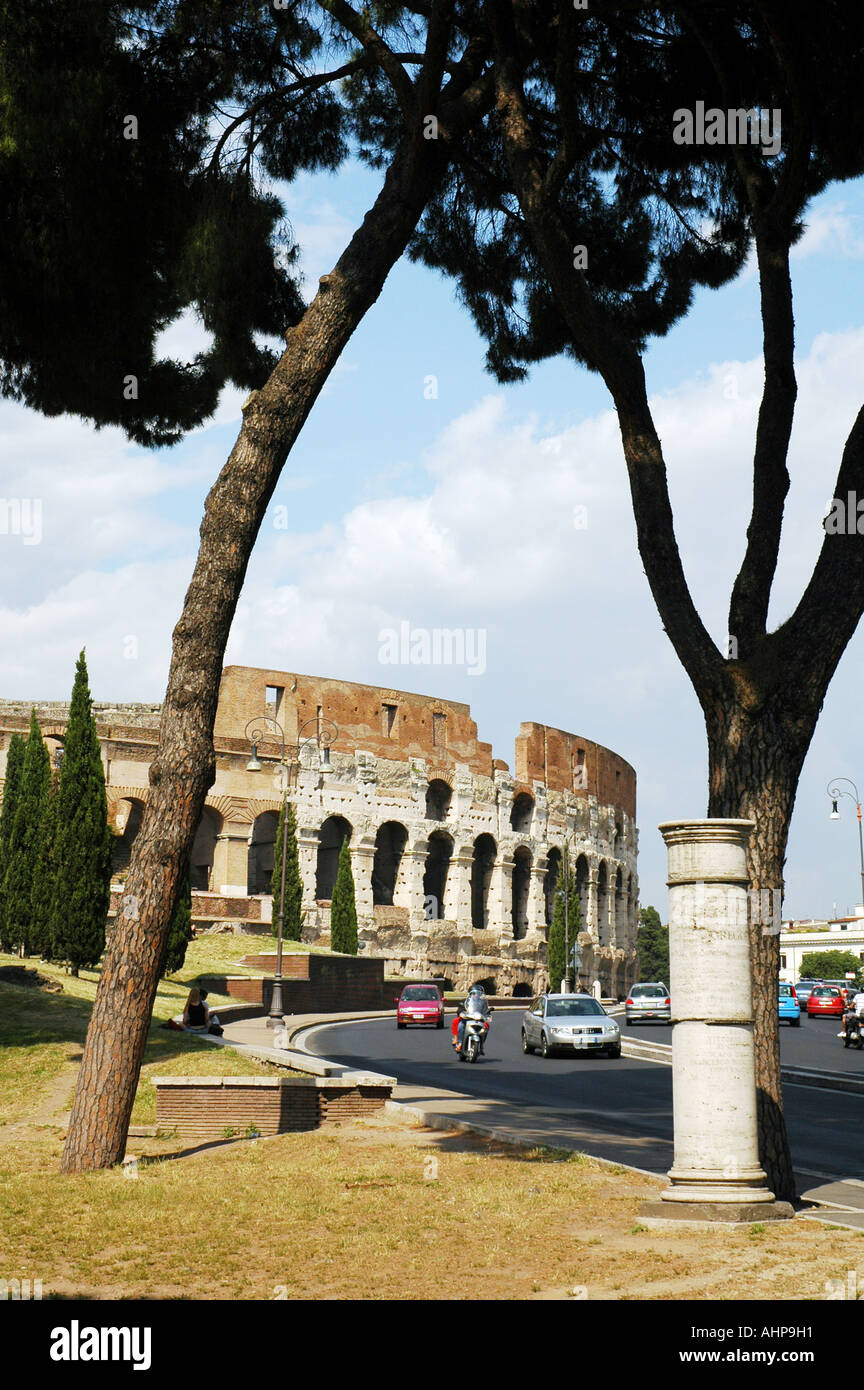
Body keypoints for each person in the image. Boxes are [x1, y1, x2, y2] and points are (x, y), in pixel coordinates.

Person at [453, 984, 490, 1054]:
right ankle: (460, 1043)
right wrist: (461, 1013)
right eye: (474, 993)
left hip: (479, 1020)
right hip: (467, 1019)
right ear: (470, 993)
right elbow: (460, 1010)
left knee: (486, 1026)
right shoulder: (465, 1001)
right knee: (461, 1025)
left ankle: (481, 1045)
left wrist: (487, 1015)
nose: (476, 995)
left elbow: (486, 1010)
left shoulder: (482, 1002)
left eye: (478, 993)